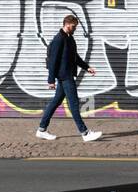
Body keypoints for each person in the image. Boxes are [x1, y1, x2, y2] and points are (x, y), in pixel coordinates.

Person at [36, 13, 103, 143]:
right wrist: (51, 80)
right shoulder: (59, 39)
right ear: (66, 25)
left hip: (67, 75)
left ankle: (42, 129)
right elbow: (53, 61)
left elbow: (75, 57)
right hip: (64, 77)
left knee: (55, 102)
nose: (75, 29)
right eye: (73, 26)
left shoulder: (69, 38)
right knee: (74, 104)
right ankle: (85, 133)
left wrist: (86, 67)